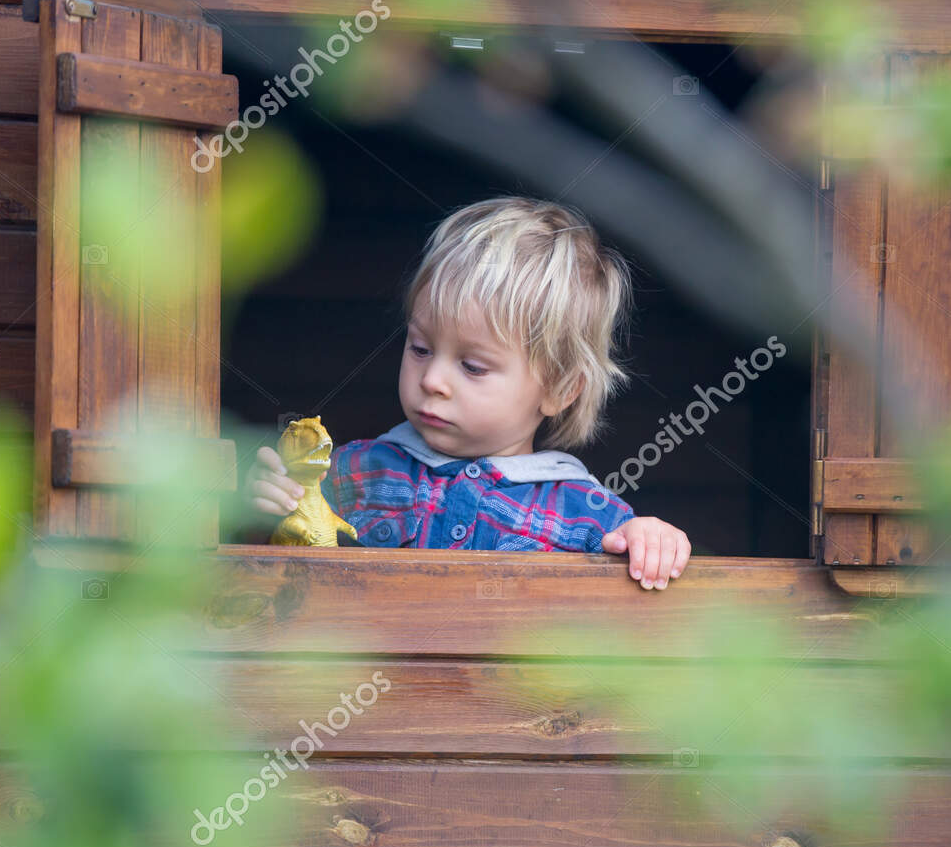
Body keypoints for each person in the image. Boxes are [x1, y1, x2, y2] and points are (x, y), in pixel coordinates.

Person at [245, 196, 692, 590]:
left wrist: (652, 541)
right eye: (420, 348)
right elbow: (276, 577)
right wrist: (268, 506)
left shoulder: (590, 517)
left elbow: (642, 602)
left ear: (559, 389)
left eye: (473, 366)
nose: (433, 380)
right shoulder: (350, 473)